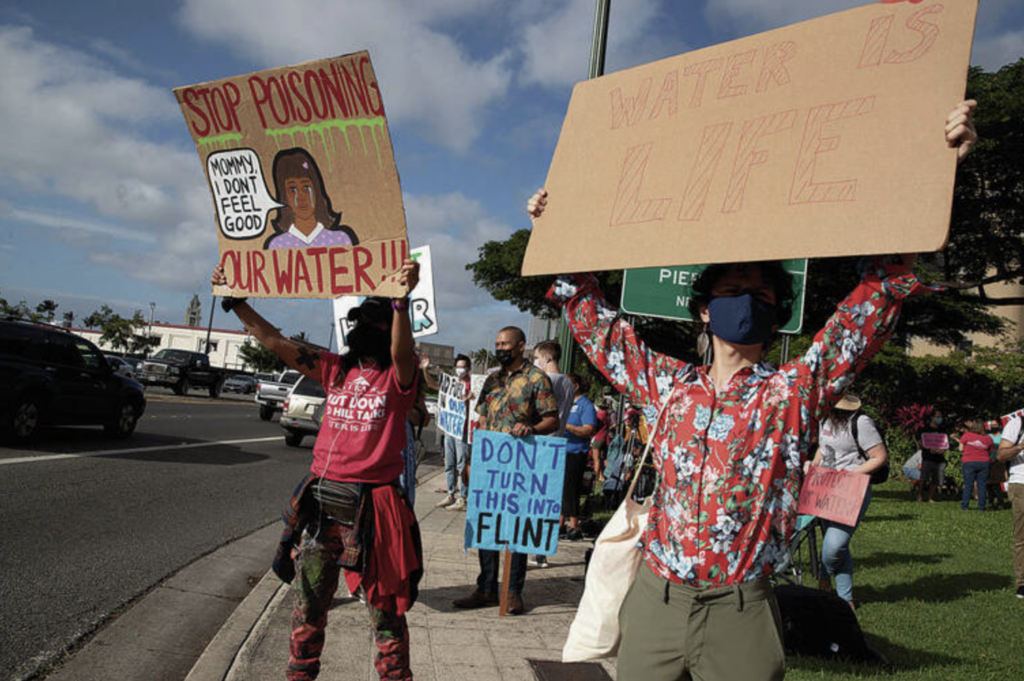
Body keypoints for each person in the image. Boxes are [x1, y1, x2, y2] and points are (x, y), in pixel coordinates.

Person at [528, 99, 976, 681]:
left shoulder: (793, 392)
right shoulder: (665, 384)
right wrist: (555, 227)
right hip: (657, 599)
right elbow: (593, 321)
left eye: (761, 296)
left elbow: (873, 304)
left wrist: (934, 173)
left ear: (776, 316)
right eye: (734, 290)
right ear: (707, 313)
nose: (748, 300)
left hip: (741, 610)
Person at [212, 260, 421, 681]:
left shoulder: (400, 378)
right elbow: (274, 341)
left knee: (385, 614)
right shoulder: (332, 369)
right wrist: (237, 303)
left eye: (374, 323)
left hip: (374, 513)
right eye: (360, 321)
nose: (364, 329)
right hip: (324, 506)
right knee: (307, 603)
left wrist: (401, 303)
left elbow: (401, 350)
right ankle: (300, 675)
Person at [452, 326, 559, 615]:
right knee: (487, 526)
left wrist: (531, 428)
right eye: (497, 343)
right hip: (490, 464)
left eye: (505, 344)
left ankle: (512, 591)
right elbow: (482, 422)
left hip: (521, 466)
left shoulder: (537, 379)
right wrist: (472, 461)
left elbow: (553, 420)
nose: (500, 348)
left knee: (516, 530)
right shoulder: (492, 380)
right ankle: (486, 588)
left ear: (521, 346)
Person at [810, 394, 888, 609]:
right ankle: (846, 599)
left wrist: (850, 473)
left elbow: (879, 457)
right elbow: (823, 449)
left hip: (852, 491)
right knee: (836, 545)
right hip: (824, 489)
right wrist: (813, 465)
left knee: (835, 546)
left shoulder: (861, 422)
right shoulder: (825, 420)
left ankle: (825, 575)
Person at [529, 340, 575, 566]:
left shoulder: (547, 381)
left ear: (546, 358)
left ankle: (533, 545)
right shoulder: (568, 383)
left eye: (537, 356)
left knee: (534, 499)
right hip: (558, 444)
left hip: (541, 444)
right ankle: (542, 550)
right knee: (548, 501)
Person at [263, 147, 359, 249]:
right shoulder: (277, 245)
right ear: (284, 197)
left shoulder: (341, 239)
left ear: (316, 191)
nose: (301, 197)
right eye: (292, 190)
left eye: (306, 187)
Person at [430, 354, 473, 511]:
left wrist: (470, 398)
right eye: (458, 366)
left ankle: (463, 497)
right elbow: (433, 385)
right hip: (450, 430)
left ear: (468, 368)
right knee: (450, 463)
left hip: (462, 431)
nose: (460, 369)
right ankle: (450, 494)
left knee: (462, 465)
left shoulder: (472, 385)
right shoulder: (451, 384)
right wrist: (425, 370)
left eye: (463, 366)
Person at [561, 372, 600, 541]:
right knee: (560, 488)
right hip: (561, 450)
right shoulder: (564, 403)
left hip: (576, 451)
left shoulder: (586, 405)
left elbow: (589, 429)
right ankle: (560, 522)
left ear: (575, 386)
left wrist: (568, 427)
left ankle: (574, 524)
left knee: (571, 488)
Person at [997, 415, 1024, 599]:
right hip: (1021, 484)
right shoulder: (1018, 424)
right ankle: (1022, 583)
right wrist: (1022, 445)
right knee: (1023, 536)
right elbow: (1001, 455)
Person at [958, 418, 994, 511]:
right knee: (981, 486)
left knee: (968, 485)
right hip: (984, 463)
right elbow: (991, 451)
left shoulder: (966, 435)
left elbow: (961, 449)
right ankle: (982, 507)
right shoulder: (988, 438)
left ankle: (964, 506)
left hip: (969, 462)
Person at [919, 409, 948, 503]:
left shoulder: (942, 430)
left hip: (939, 458)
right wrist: (928, 448)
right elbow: (920, 442)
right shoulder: (925, 429)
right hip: (927, 457)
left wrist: (942, 449)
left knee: (936, 479)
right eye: (937, 417)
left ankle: (930, 497)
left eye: (940, 417)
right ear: (932, 417)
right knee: (924, 478)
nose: (939, 419)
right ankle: (919, 494)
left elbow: (945, 443)